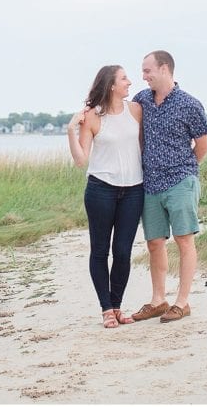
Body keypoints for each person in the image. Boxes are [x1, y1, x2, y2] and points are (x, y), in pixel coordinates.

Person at [129, 50, 207, 323]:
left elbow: (203, 145)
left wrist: (184, 170)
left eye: (147, 70)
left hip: (180, 180)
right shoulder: (142, 100)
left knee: (184, 239)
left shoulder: (190, 104)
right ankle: (158, 300)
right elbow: (120, 115)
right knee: (154, 243)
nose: (143, 76)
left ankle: (182, 302)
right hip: (150, 183)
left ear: (164, 69)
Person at [67, 65, 145, 329]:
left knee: (122, 252)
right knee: (100, 251)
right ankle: (106, 309)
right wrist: (71, 131)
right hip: (101, 189)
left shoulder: (136, 110)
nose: (130, 82)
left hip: (134, 190)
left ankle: (118, 304)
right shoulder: (92, 116)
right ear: (111, 85)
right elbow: (81, 160)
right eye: (124, 78)